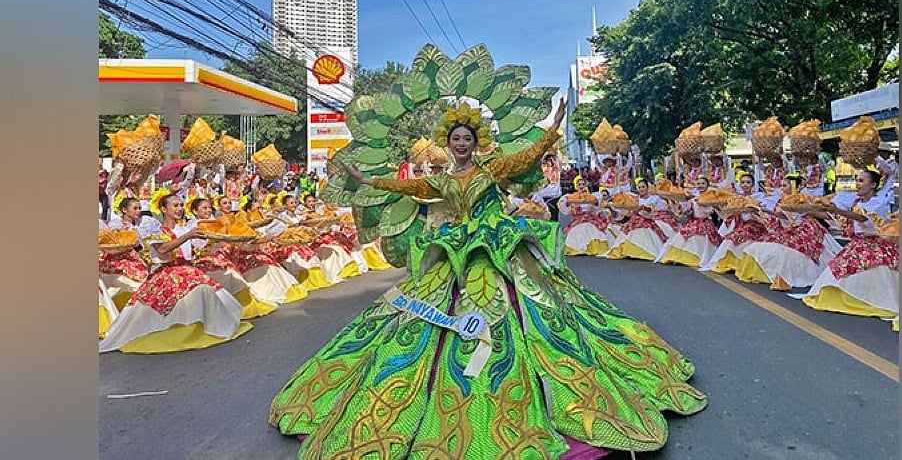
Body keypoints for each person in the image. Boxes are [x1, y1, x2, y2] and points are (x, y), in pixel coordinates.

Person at [270, 97, 706, 458]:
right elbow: (404, 188)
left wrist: (553, 123)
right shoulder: (439, 181)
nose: (461, 144)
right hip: (453, 256)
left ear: (475, 143)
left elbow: (529, 155)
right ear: (448, 144)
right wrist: (365, 178)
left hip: (499, 250)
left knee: (541, 313)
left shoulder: (492, 170)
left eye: (467, 139)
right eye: (455, 139)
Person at [98, 192, 252, 353]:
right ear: (163, 209)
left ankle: (202, 327)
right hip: (167, 272)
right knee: (196, 290)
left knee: (205, 289)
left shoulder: (186, 228)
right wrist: (187, 236)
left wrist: (224, 238)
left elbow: (203, 248)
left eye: (180, 205)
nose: (179, 209)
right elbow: (163, 249)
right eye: (175, 205)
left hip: (188, 269)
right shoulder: (155, 230)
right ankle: (183, 329)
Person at [798, 168, 899, 318]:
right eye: (857, 180)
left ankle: (870, 300)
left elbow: (862, 218)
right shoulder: (855, 201)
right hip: (858, 242)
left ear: (872, 185)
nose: (857, 184)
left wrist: (838, 211)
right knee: (842, 267)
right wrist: (808, 211)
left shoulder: (879, 202)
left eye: (861, 181)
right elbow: (835, 217)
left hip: (876, 244)